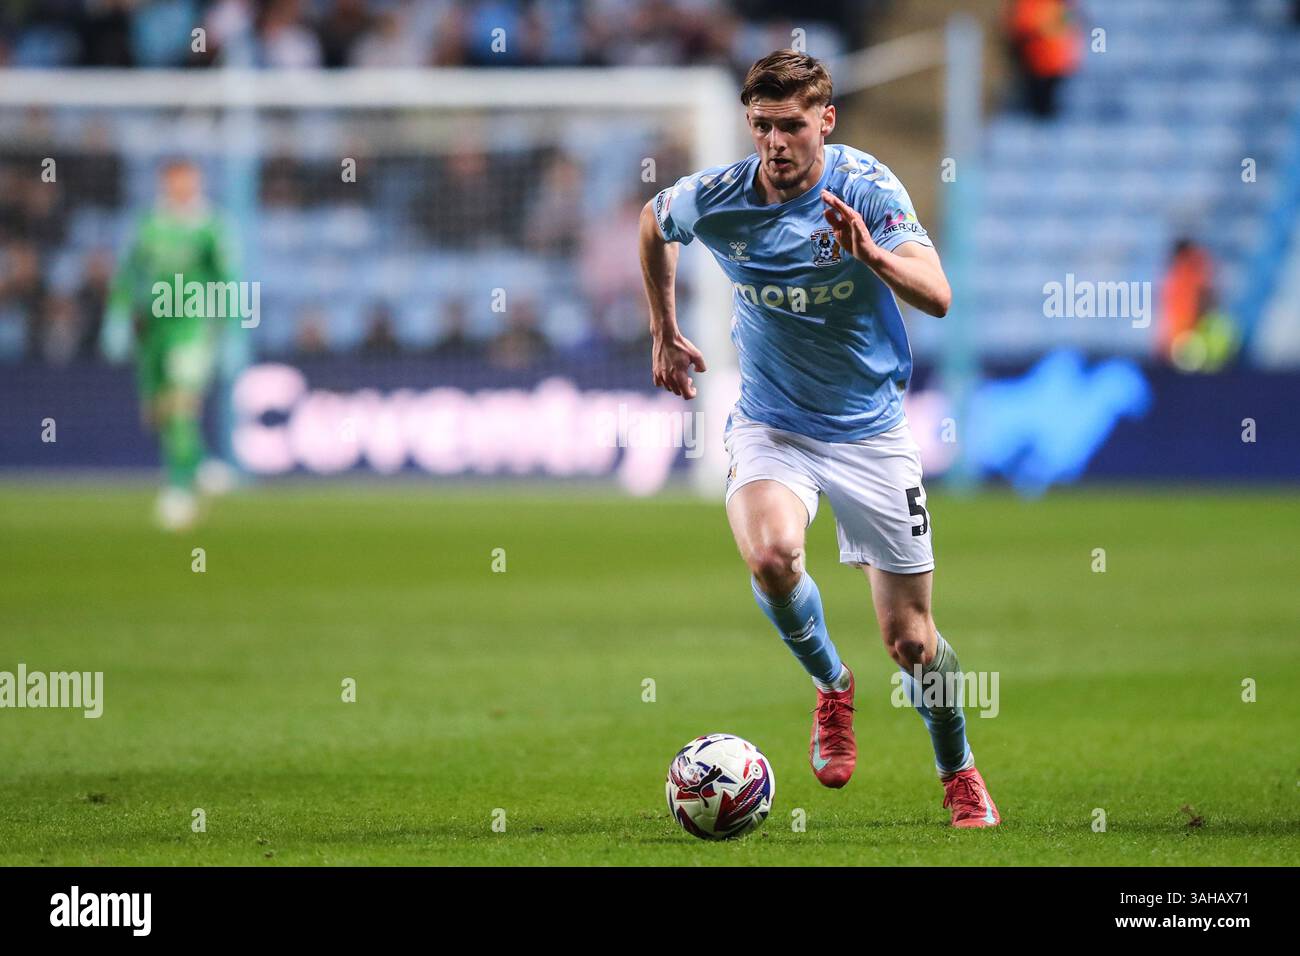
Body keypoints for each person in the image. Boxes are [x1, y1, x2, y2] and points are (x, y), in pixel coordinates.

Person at [638, 50, 1000, 827]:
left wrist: (872, 255)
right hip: (774, 422)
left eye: (792, 125)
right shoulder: (720, 196)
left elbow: (936, 295)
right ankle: (833, 687)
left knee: (911, 641)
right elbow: (653, 222)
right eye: (762, 126)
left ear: (825, 122)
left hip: (871, 431)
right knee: (771, 556)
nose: (776, 141)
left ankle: (958, 769)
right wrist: (665, 330)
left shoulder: (865, 187)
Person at [101, 159, 237, 530]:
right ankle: (196, 461)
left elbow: (226, 279)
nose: (182, 187)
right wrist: (117, 315)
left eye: (188, 181)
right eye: (175, 181)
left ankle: (179, 488)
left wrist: (231, 330)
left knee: (180, 401)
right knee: (157, 411)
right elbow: (129, 272)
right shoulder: (149, 224)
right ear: (164, 183)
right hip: (152, 327)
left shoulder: (209, 225)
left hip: (191, 326)